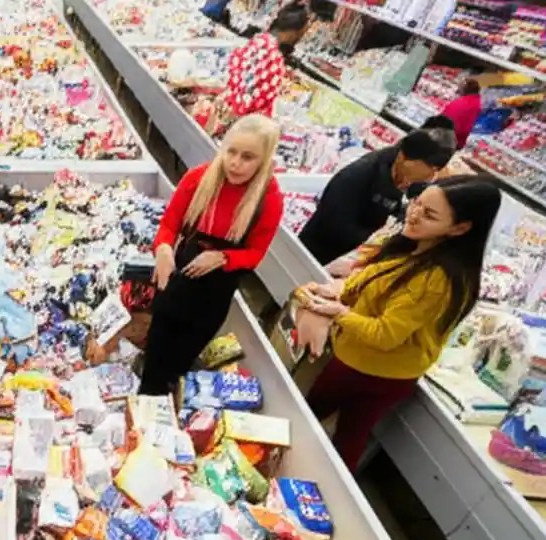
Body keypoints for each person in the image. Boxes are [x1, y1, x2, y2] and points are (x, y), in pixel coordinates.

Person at [298, 176, 502, 470]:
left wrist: (339, 312)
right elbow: (374, 281)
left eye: (429, 214)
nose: (414, 214)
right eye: (417, 202)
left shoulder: (435, 279)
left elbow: (385, 335)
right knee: (335, 425)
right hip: (361, 358)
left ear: (460, 228)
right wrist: (343, 290)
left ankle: (320, 492)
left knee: (336, 429)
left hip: (373, 369)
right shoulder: (413, 246)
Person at [140, 114, 285, 396]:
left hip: (217, 289)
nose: (235, 163)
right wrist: (164, 248)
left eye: (248, 157)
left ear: (264, 161)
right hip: (179, 273)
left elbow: (255, 254)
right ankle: (147, 391)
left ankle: (170, 390)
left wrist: (222, 258)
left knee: (186, 350)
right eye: (231, 151)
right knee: (158, 341)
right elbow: (169, 224)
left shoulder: (269, 199)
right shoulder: (198, 178)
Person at [298, 120, 457, 265]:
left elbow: (402, 210)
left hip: (360, 260)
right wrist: (379, 241)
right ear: (404, 158)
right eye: (432, 168)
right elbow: (334, 224)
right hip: (317, 256)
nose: (432, 175)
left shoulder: (412, 179)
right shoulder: (359, 175)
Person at [216, 2, 309, 128]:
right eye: (301, 35)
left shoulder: (259, 39)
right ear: (293, 33)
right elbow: (259, 102)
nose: (299, 40)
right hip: (243, 124)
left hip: (228, 108)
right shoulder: (275, 58)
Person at [440, 77, 483, 149]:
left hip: (449, 141)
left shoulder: (461, 103)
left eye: (459, 88)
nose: (458, 90)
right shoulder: (478, 103)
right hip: (457, 141)